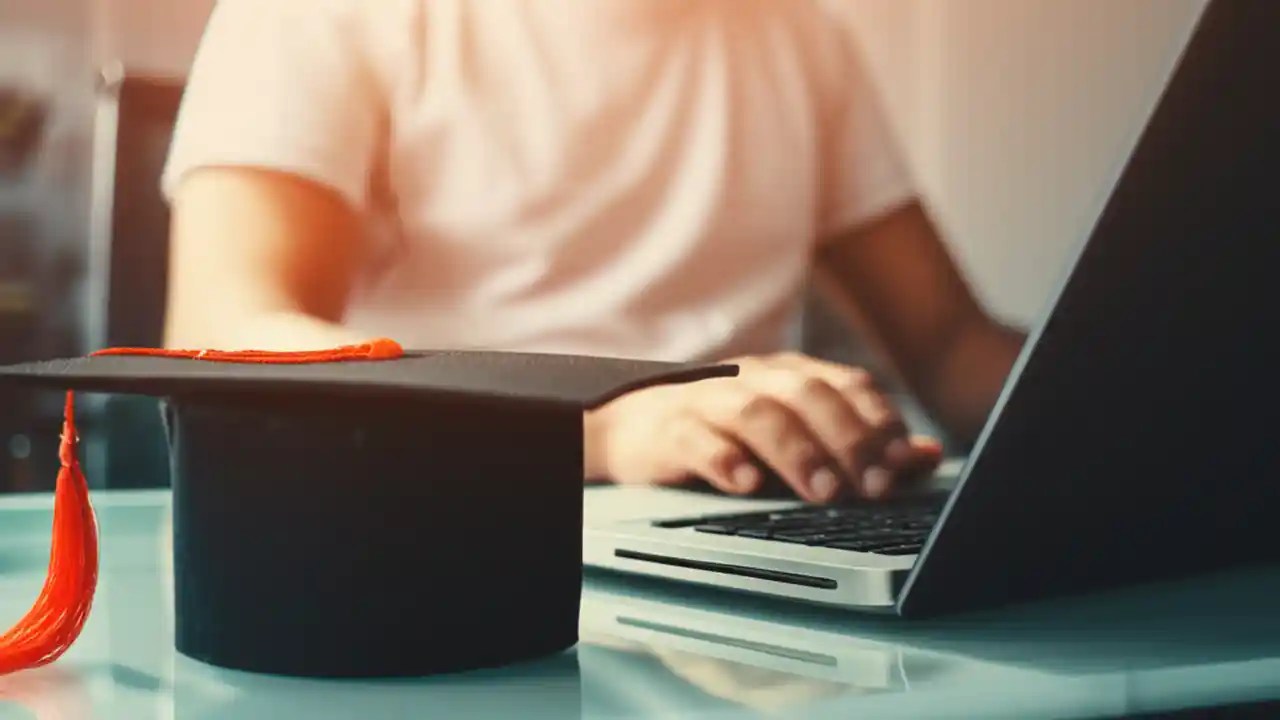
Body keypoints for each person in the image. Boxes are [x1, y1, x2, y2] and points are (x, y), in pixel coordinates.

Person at [161, 0, 1025, 504]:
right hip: (450, 526)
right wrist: (605, 426)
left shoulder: (796, 34)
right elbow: (221, 332)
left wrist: (1125, 402)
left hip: (746, 535)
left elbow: (951, 344)